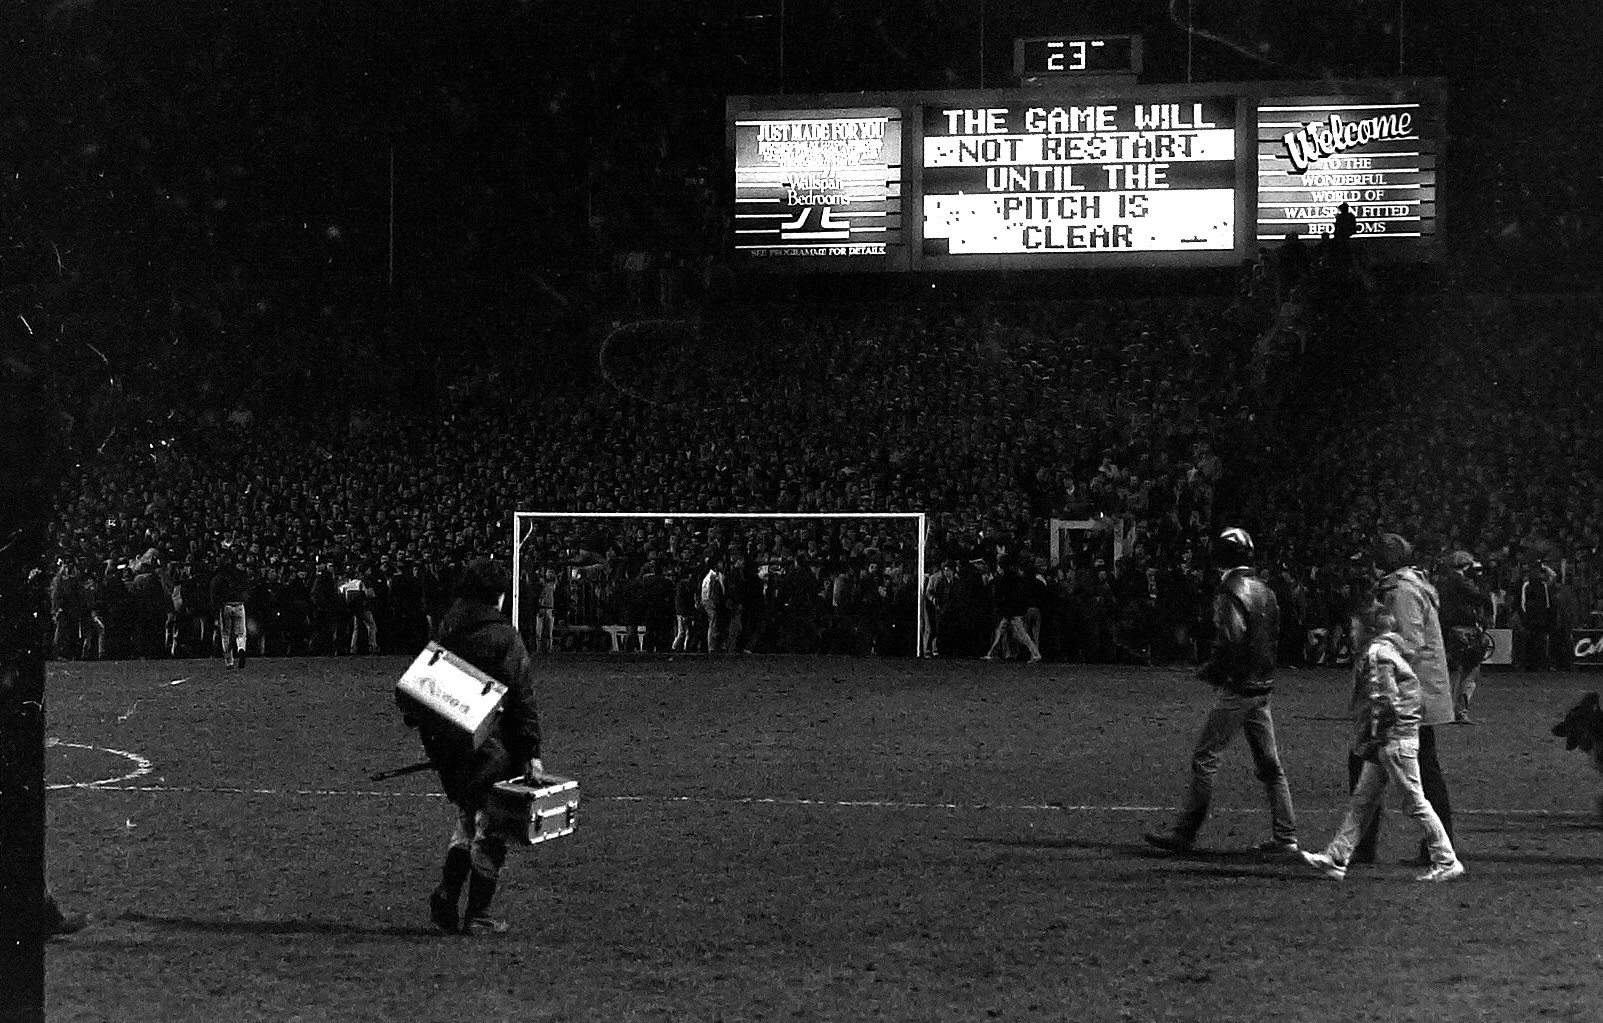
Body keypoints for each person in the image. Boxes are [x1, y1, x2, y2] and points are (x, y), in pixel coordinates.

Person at [1144, 527, 1298, 856]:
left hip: (1239, 687)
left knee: (1205, 757)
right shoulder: (1265, 590)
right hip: (1262, 685)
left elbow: (1232, 638)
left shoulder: (1230, 590)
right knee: (1270, 765)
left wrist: (1212, 671)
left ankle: (1185, 833)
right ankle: (1286, 837)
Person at [416, 557, 542, 936]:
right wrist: (531, 751)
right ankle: (478, 913)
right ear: (499, 595)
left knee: (466, 818)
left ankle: (446, 895)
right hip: (492, 748)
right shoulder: (505, 637)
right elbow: (521, 698)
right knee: (492, 828)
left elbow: (426, 683)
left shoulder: (447, 626)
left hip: (447, 745)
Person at [1299, 597, 1465, 882]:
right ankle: (1337, 857)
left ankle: (1446, 860)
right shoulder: (1394, 649)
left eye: (1355, 627)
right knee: (1362, 801)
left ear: (1369, 628)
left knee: (1415, 801)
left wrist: (1374, 737)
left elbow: (1384, 701)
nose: (1352, 633)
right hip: (1396, 737)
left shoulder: (1376, 654)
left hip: (1392, 740)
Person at [1352, 532, 1455, 866]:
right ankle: (1436, 847)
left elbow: (1407, 643)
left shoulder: (1402, 592)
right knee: (1419, 768)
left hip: (1406, 697)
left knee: (1369, 761)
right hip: (1414, 695)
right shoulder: (1406, 587)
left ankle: (1364, 847)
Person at [1438, 550, 1492, 722]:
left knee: (1455, 670)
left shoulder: (1446, 583)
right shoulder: (1461, 582)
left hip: (1453, 628)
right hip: (1464, 629)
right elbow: (1481, 596)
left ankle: (1450, 709)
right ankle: (1460, 710)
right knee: (1468, 671)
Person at [209, 552, 252, 669]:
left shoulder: (218, 578)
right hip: (239, 604)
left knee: (226, 634)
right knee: (241, 632)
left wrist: (216, 612)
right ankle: (241, 648)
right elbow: (247, 590)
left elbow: (214, 595)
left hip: (226, 606)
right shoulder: (240, 576)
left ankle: (229, 661)